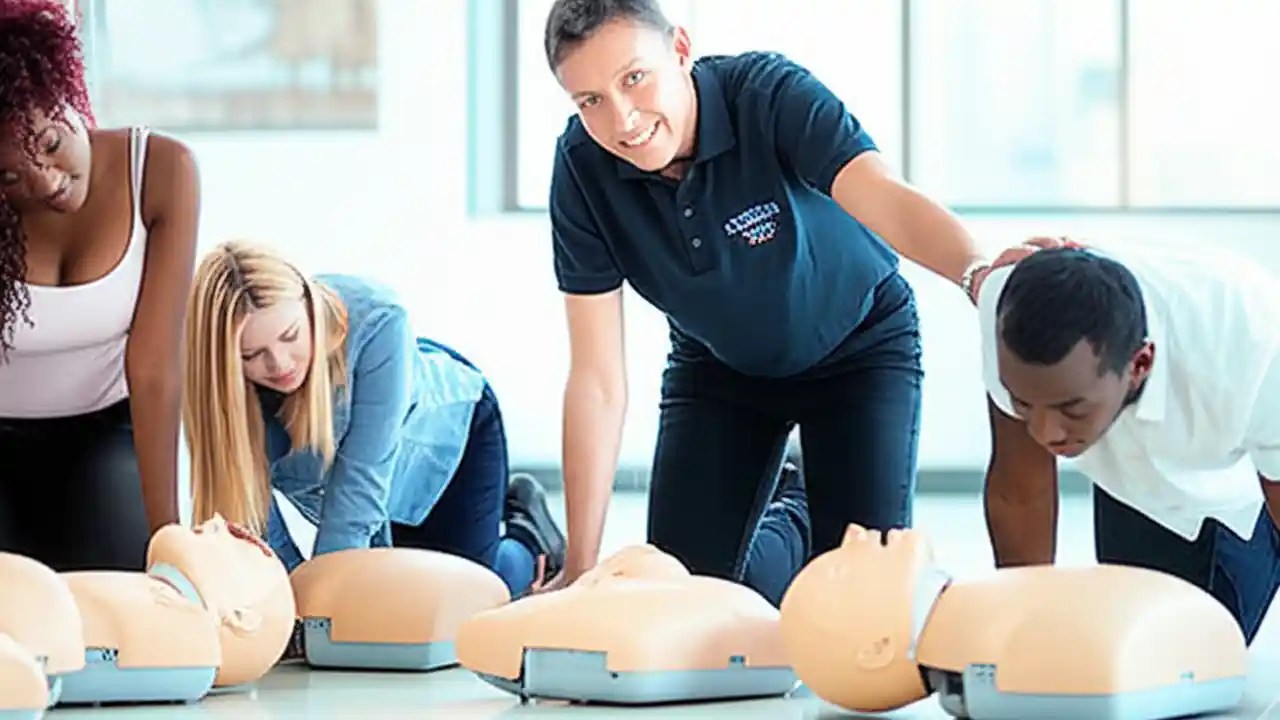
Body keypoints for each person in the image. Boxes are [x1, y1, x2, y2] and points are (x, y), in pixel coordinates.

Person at [535, 0, 1044, 602]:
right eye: (590, 100)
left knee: (858, 610)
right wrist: (580, 568)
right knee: (687, 602)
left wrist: (976, 273)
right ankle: (794, 518)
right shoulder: (581, 168)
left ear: (678, 51)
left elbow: (881, 195)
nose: (622, 119)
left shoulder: (767, 94)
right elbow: (597, 379)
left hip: (859, 349)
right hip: (717, 372)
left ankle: (806, 504)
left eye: (633, 78)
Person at [182, 240, 566, 598]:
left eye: (290, 336)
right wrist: (287, 607)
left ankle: (529, 537)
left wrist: (319, 607)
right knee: (395, 605)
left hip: (448, 436)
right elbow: (253, 522)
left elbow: (357, 487)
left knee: (464, 603)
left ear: (309, 307)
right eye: (252, 355)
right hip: (377, 486)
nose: (279, 364)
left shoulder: (378, 319)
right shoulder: (217, 386)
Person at [978, 243, 1280, 645]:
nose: (1045, 433)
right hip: (1128, 468)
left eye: (1071, 407)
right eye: (1025, 403)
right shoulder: (1010, 308)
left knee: (1187, 654)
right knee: (1123, 646)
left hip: (1231, 492)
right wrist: (1023, 632)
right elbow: (1020, 492)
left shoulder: (1250, 345)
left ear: (1140, 365)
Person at [0, 0, 197, 571]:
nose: (49, 185)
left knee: (126, 613)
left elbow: (155, 368)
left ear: (67, 93)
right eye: (10, 176)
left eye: (52, 144)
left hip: (104, 435)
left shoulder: (163, 169)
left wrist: (169, 540)